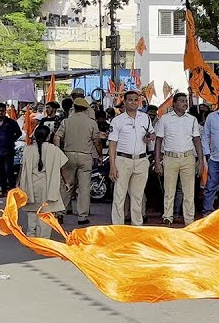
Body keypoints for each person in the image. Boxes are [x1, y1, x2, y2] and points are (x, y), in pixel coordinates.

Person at [153, 92, 202, 226]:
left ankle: (189, 219)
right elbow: (158, 141)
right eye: (182, 101)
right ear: (174, 103)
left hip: (188, 157)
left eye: (186, 101)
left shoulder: (192, 119)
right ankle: (168, 217)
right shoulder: (165, 119)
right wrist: (157, 162)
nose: (185, 103)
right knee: (169, 190)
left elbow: (197, 140)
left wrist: (201, 162)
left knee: (189, 191)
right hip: (170, 157)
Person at [108, 89, 154, 225]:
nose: (133, 102)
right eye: (130, 100)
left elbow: (152, 134)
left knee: (138, 196)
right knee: (119, 195)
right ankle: (117, 226)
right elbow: (112, 144)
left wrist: (149, 138)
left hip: (141, 160)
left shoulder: (145, 118)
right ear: (125, 102)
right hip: (123, 160)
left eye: (135, 100)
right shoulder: (117, 121)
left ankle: (137, 226)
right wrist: (112, 165)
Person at [55, 97, 101, 226]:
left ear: (74, 108)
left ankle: (60, 213)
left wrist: (59, 151)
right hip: (85, 156)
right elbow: (97, 141)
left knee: (66, 185)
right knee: (84, 188)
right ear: (86, 109)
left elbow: (57, 137)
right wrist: (98, 155)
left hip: (68, 155)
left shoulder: (66, 122)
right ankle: (82, 216)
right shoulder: (92, 123)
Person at [17, 125, 67, 239]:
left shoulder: (28, 149)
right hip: (47, 185)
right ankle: (43, 237)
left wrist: (18, 183)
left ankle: (31, 235)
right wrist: (66, 182)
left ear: (35, 136)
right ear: (49, 136)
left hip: (32, 184)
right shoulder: (54, 150)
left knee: (32, 210)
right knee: (46, 212)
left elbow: (22, 168)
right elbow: (61, 168)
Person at [0, 102, 23, 193]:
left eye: (2, 111)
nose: (0, 113)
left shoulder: (11, 122)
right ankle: (3, 190)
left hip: (8, 150)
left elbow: (19, 133)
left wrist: (11, 140)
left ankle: (12, 190)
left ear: (5, 111)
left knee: (9, 171)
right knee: (1, 171)